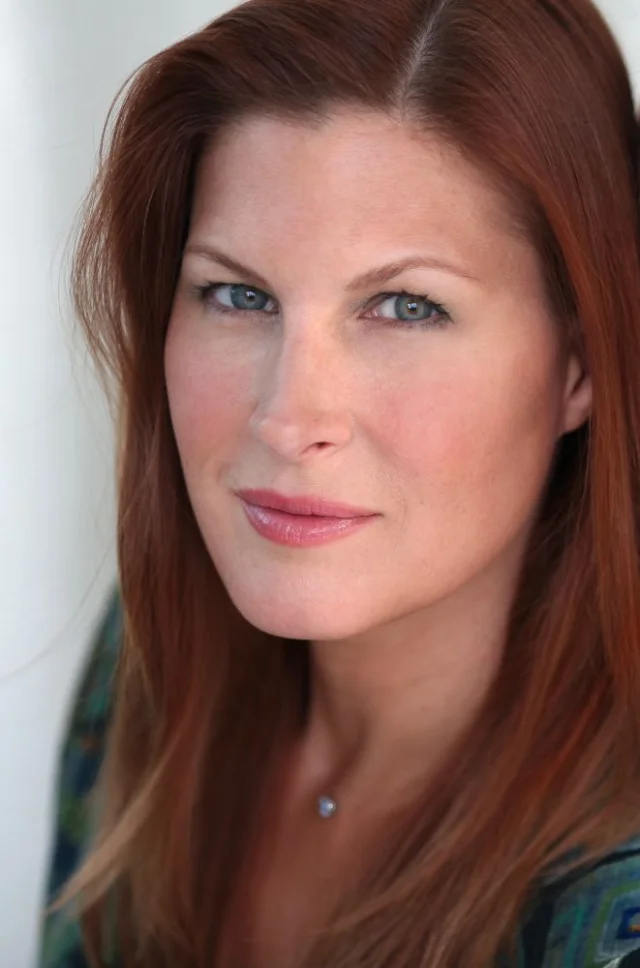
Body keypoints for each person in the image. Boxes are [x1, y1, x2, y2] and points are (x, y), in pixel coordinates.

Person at [36, 0, 640, 964]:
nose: (289, 418)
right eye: (238, 294)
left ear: (581, 363)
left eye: (406, 307)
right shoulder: (152, 655)